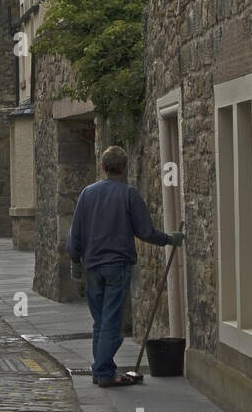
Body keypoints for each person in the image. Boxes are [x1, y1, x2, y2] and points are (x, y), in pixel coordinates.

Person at [66, 145, 184, 386]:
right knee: (111, 321)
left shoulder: (87, 194)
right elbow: (145, 231)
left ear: (102, 167)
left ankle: (102, 370)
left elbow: (75, 234)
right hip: (117, 266)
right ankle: (103, 371)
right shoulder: (129, 195)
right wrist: (170, 239)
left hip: (93, 266)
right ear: (125, 168)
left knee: (100, 321)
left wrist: (75, 261)